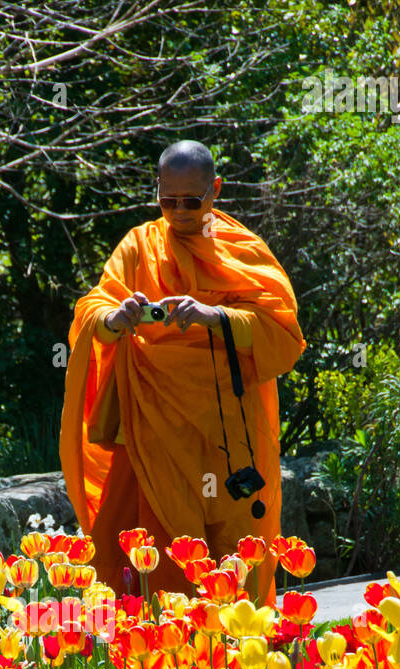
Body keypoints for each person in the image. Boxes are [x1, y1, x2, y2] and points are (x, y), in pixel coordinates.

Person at [59, 140, 305, 603]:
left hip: (228, 436)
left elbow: (284, 334)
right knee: (159, 555)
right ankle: (158, 660)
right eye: (166, 199)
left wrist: (215, 317)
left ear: (215, 189)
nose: (177, 211)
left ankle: (242, 659)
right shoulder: (139, 245)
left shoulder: (242, 250)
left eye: (190, 201)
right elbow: (93, 308)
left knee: (237, 553)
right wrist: (117, 319)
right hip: (154, 430)